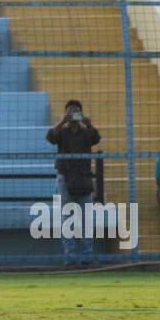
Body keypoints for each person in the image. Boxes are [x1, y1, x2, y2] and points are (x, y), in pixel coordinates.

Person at [46, 100, 100, 266]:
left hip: (84, 177)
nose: (74, 115)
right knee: (67, 217)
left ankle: (87, 255)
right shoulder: (62, 132)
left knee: (87, 218)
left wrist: (89, 125)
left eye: (77, 112)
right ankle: (70, 256)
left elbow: (96, 138)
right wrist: (62, 121)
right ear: (66, 114)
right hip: (65, 177)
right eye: (71, 112)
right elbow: (50, 137)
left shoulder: (86, 133)